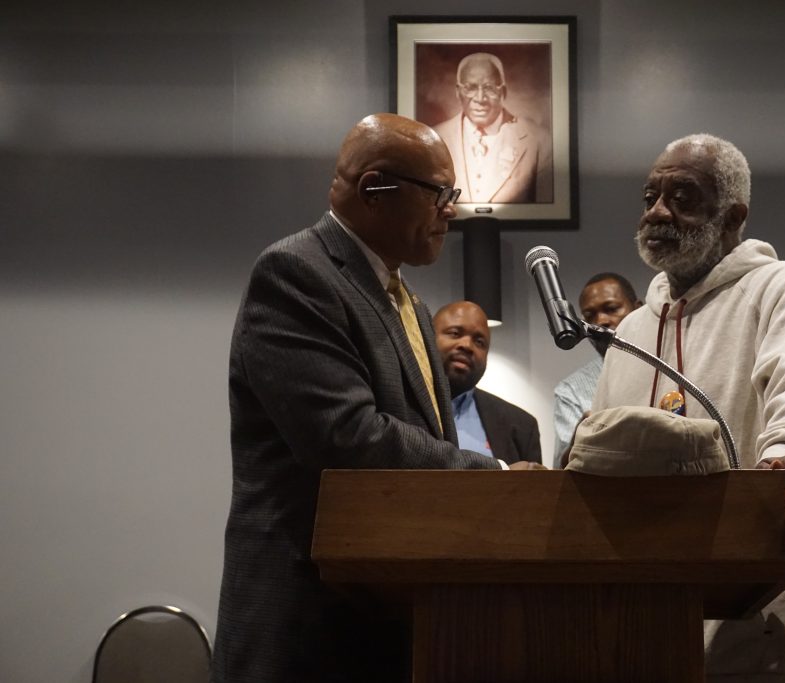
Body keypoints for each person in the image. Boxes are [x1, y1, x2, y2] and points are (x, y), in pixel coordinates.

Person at [212, 113, 543, 683]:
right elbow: (349, 439)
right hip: (308, 622)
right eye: (440, 193)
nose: (452, 211)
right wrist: (494, 475)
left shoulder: (407, 302)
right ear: (374, 190)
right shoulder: (296, 274)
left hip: (387, 615)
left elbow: (424, 442)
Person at [590, 134, 785, 680]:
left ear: (733, 215)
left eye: (682, 196)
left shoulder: (778, 287)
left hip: (776, 626)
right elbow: (599, 446)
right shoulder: (632, 328)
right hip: (657, 627)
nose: (658, 212)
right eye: (650, 196)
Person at [432, 52, 553, 204]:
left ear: (503, 92)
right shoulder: (435, 139)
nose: (480, 98)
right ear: (458, 91)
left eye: (489, 88)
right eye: (470, 88)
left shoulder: (539, 142)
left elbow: (546, 211)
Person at [432, 300, 542, 464]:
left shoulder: (521, 426)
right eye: (455, 333)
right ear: (426, 337)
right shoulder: (394, 408)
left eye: (479, 342)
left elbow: (536, 488)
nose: (467, 345)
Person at [552, 272, 642, 466]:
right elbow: (561, 468)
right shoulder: (570, 391)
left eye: (611, 309)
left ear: (638, 309)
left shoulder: (671, 367)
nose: (600, 321)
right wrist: (580, 439)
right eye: (589, 316)